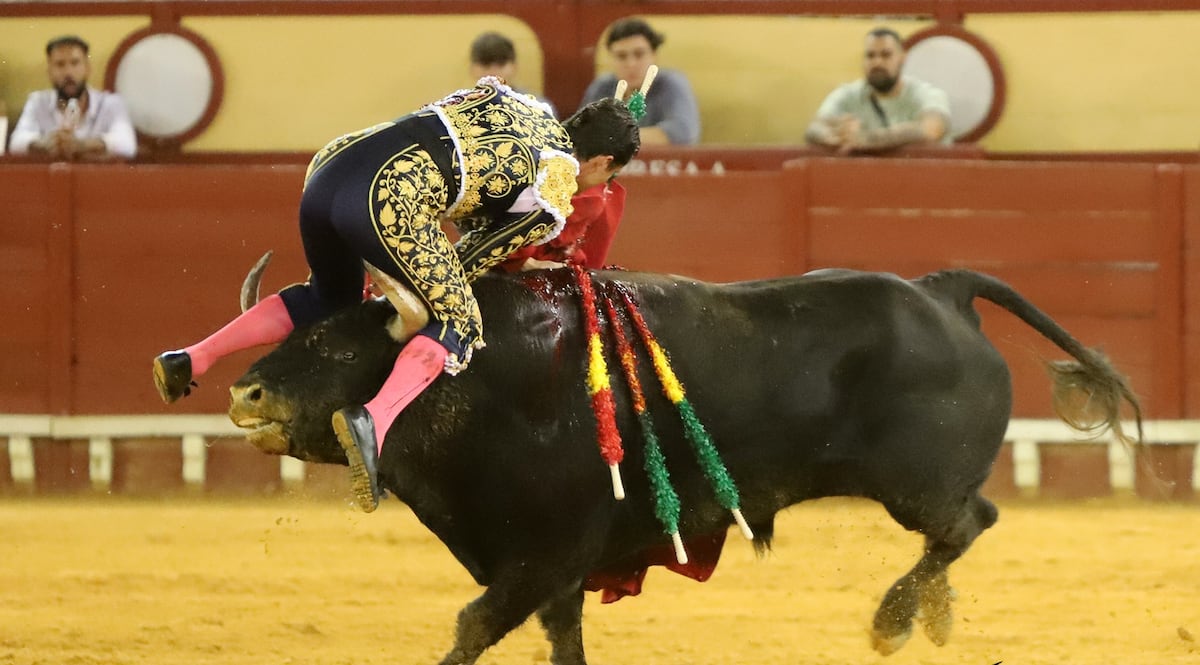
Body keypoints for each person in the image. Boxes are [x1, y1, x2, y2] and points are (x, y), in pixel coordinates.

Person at [152, 78, 640, 513]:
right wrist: (453, 281)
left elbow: (460, 168)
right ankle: (373, 422)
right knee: (458, 321)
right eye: (608, 175)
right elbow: (470, 260)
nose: (602, 183)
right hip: (387, 199)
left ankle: (191, 357)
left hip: (331, 168)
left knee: (327, 296)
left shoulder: (514, 99)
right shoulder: (555, 183)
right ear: (600, 162)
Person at [805, 27, 950, 154]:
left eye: (886, 55)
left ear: (902, 58)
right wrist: (834, 136)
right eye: (870, 55)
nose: (877, 62)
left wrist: (867, 139)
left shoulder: (926, 94)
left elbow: (932, 129)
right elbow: (814, 128)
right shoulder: (849, 93)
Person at [9, 35, 137, 161]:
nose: (68, 72)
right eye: (60, 64)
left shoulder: (110, 103)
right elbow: (16, 143)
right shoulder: (38, 102)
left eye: (75, 63)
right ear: (49, 71)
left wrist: (82, 145)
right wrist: (47, 144)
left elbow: (127, 144)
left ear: (87, 68)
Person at [578, 17, 700, 146]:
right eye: (621, 56)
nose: (631, 64)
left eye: (639, 54)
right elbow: (581, 132)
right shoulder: (602, 87)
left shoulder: (671, 84)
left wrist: (618, 137)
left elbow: (683, 133)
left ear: (654, 55)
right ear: (611, 59)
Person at [467, 31, 557, 117]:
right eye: (485, 64)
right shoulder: (458, 108)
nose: (493, 72)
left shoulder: (539, 108)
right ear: (472, 68)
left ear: (514, 66)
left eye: (501, 64)